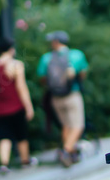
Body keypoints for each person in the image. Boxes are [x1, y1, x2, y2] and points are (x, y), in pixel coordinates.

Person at [38, 30, 89, 167]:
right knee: (77, 126)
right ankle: (66, 152)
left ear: (56, 42)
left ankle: (71, 153)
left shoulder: (46, 58)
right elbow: (83, 74)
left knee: (66, 125)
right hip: (72, 95)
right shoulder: (76, 55)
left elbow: (42, 78)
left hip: (55, 97)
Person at [0, 38, 37, 174]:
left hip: (1, 108)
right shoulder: (17, 65)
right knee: (21, 134)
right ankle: (25, 161)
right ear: (11, 49)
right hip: (17, 106)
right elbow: (21, 87)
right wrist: (28, 106)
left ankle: (4, 164)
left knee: (4, 136)